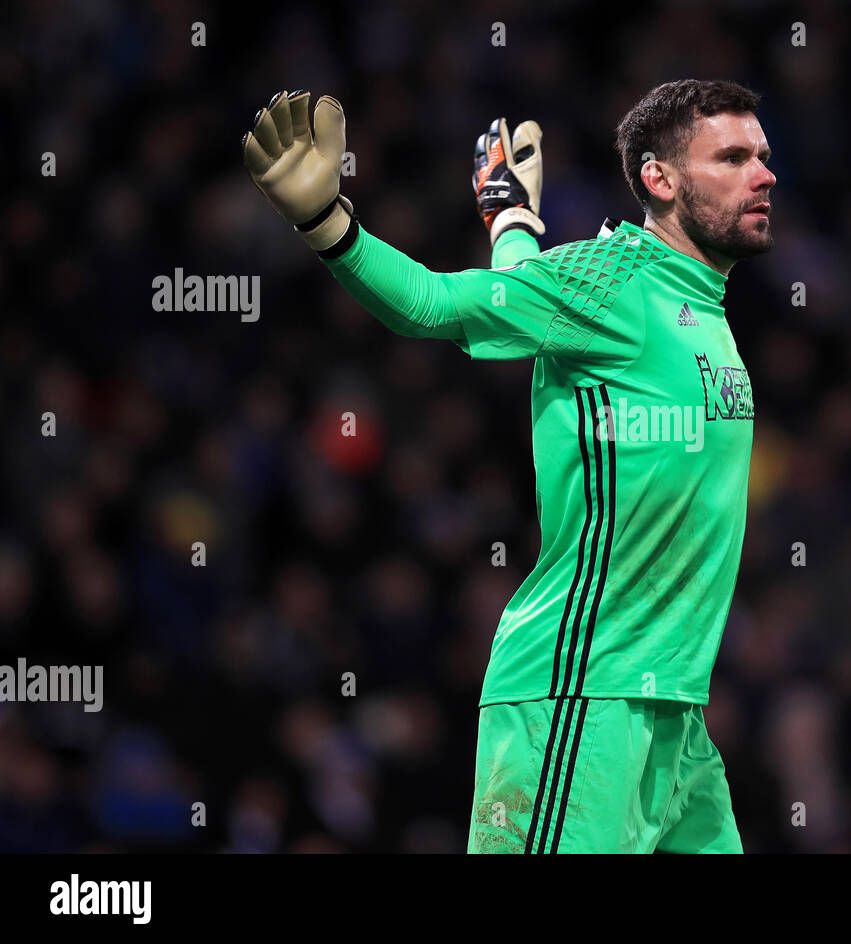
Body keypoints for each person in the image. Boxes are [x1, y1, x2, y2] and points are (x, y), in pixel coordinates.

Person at [240, 78, 776, 853]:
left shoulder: (688, 302)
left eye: (763, 155)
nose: (762, 173)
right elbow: (431, 304)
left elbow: (533, 297)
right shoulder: (615, 280)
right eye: (731, 157)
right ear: (659, 179)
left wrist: (510, 218)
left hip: (672, 718)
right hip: (577, 696)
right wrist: (326, 221)